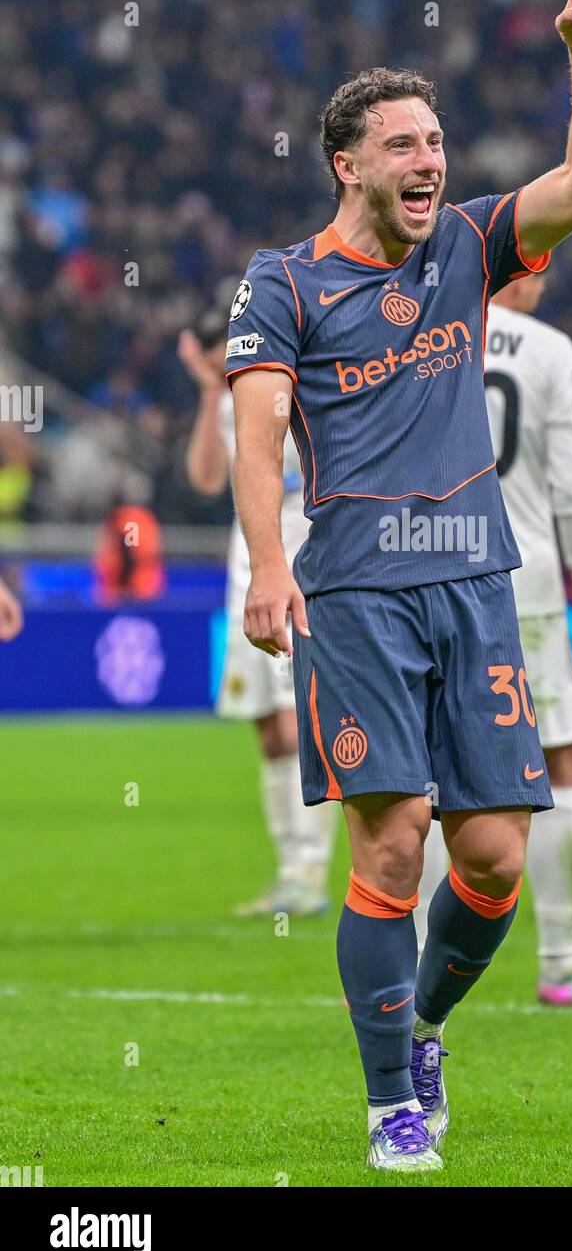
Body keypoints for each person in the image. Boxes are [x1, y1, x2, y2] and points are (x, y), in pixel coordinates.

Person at [227, 0, 572, 1171]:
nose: (429, 164)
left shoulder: (463, 245)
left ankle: (425, 1026)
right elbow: (254, 432)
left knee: (495, 858)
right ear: (347, 163)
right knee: (393, 843)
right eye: (403, 146)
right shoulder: (282, 282)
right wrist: (264, 567)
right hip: (352, 595)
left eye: (436, 143)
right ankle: (388, 1106)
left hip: (474, 588)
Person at [416, 272, 572, 1007]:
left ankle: (415, 963)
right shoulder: (552, 351)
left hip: (431, 575)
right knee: (560, 758)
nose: (549, 275)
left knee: (426, 778)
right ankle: (562, 962)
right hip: (528, 586)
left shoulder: (425, 335)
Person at [179, 315, 338, 917]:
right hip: (247, 573)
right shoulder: (233, 398)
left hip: (305, 567)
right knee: (266, 726)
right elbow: (204, 478)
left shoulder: (305, 383)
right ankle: (290, 868)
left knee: (300, 717)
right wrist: (207, 393)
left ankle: (310, 871)